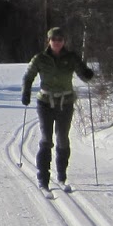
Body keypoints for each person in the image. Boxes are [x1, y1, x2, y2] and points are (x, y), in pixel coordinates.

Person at [21, 27, 95, 190]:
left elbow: (82, 71)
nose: (57, 42)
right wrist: (26, 92)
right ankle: (43, 178)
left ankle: (61, 175)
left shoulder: (71, 57)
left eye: (60, 40)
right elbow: (28, 77)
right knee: (46, 139)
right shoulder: (40, 58)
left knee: (62, 138)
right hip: (45, 103)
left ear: (64, 41)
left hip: (65, 103)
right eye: (54, 39)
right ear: (49, 41)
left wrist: (87, 74)